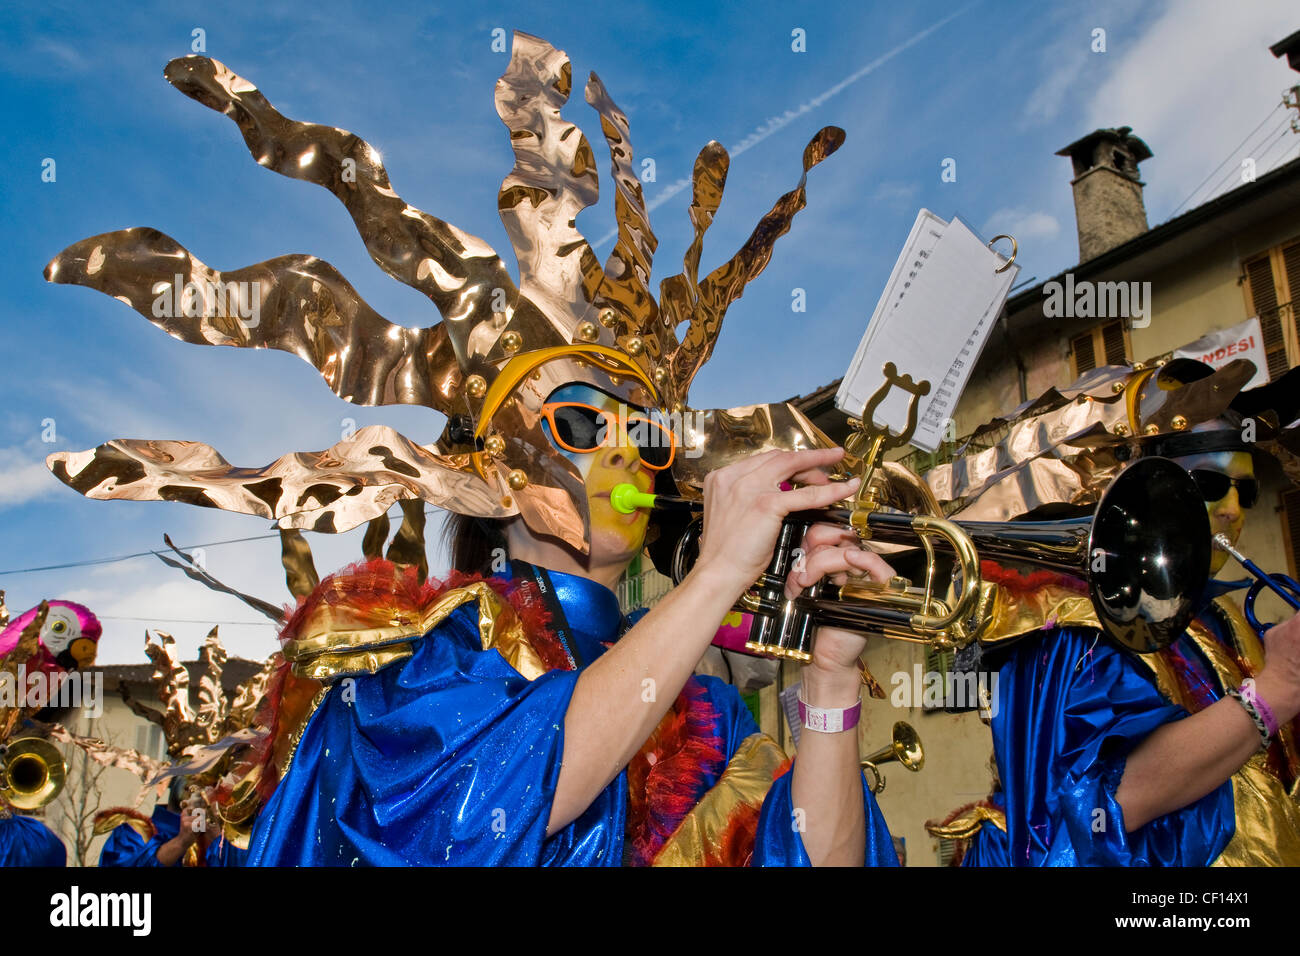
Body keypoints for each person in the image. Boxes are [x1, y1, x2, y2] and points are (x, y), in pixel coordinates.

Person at [244, 381, 900, 866]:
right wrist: (719, 572)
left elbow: (816, 855)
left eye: (645, 435)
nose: (627, 451)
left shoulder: (705, 708)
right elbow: (478, 819)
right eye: (582, 423)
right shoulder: (413, 655)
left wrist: (831, 678)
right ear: (500, 471)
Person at [960, 378, 1300, 865]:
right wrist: (1278, 691)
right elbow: (1098, 806)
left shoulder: (1228, 620)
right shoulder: (1069, 620)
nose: (1231, 510)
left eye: (1245, 492)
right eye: (1208, 484)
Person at [96, 780, 246, 867]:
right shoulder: (133, 834)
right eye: (190, 763)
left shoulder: (236, 842)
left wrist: (219, 841)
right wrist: (180, 843)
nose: (198, 778)